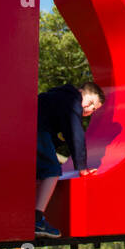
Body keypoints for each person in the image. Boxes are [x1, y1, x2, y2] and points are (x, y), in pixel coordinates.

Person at [34, 81, 104, 239]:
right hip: (37, 130)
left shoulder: (59, 96)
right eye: (92, 107)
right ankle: (37, 220)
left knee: (38, 173)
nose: (89, 112)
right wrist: (83, 168)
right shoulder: (73, 101)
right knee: (52, 171)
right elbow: (76, 135)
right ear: (88, 100)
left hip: (27, 127)